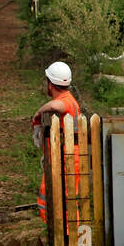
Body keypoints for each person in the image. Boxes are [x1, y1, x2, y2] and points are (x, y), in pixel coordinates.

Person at [33, 60, 81, 222]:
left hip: (68, 158)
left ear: (50, 84)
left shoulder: (67, 100)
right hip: (65, 157)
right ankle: (65, 239)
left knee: (64, 204)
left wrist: (39, 112)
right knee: (62, 202)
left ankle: (68, 241)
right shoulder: (69, 98)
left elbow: (57, 106)